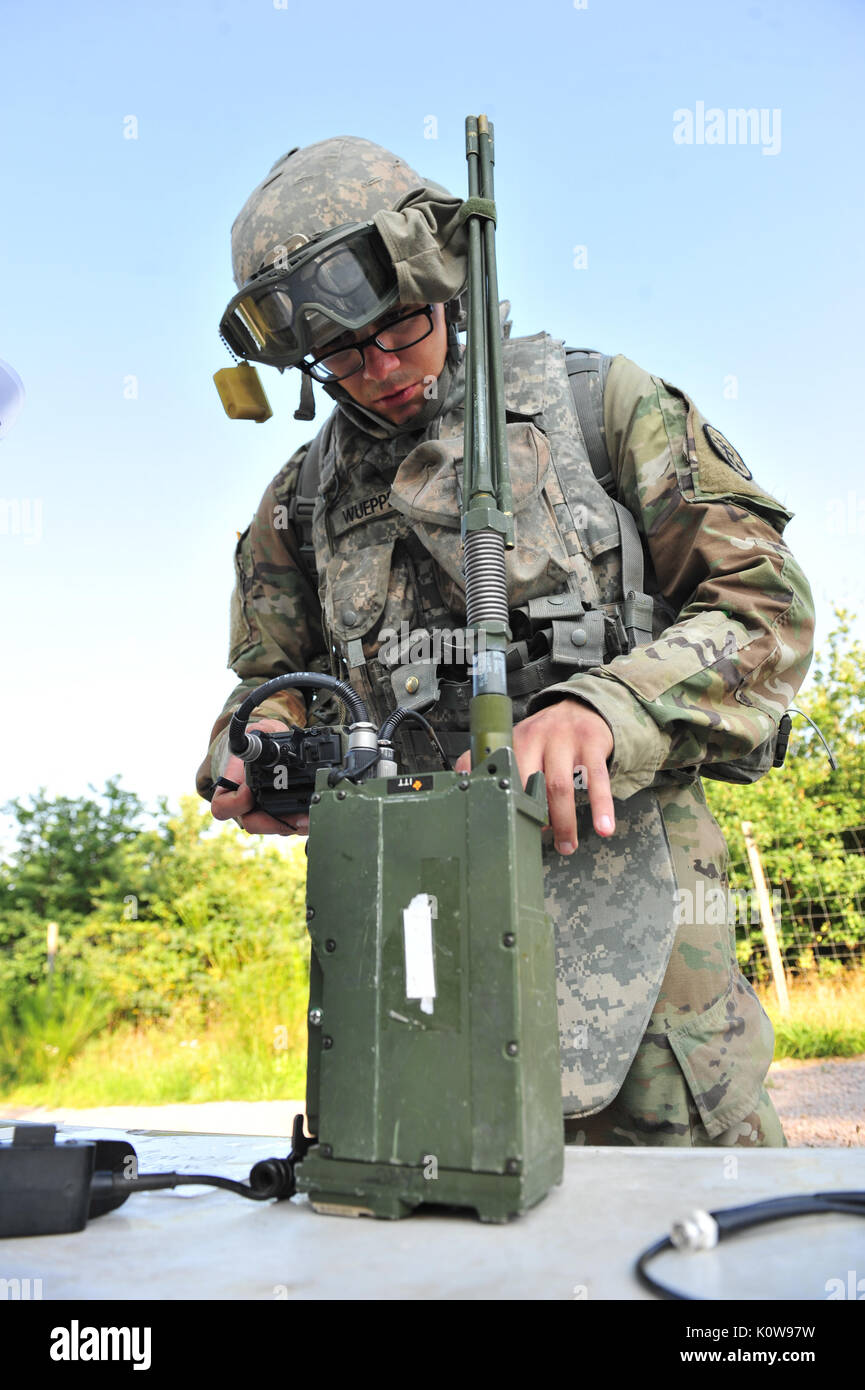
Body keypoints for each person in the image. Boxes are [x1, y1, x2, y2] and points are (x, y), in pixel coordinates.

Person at [197, 136, 815, 1147]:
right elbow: (276, 683)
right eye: (342, 354)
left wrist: (609, 707)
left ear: (441, 279)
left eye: (396, 327)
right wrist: (256, 744)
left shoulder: (600, 407)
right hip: (414, 1005)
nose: (380, 368)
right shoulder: (296, 504)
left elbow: (766, 608)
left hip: (649, 1032)